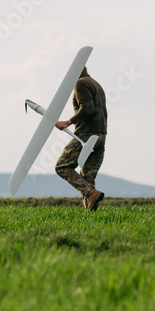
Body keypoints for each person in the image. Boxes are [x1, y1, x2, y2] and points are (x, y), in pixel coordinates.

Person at [54, 66, 107, 211]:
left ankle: (91, 193)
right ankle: (90, 215)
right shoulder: (96, 84)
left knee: (62, 166)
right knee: (87, 178)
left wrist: (68, 122)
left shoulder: (80, 83)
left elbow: (87, 108)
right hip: (101, 135)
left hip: (86, 134)